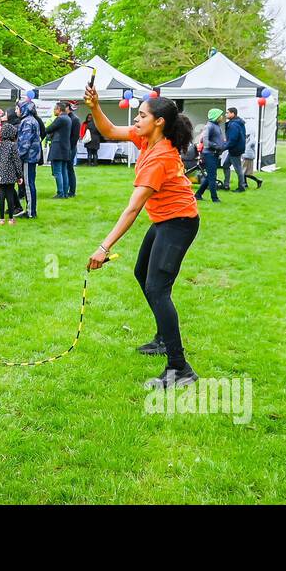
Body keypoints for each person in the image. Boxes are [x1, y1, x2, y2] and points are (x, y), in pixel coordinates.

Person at [85, 83, 201, 388]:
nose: (135, 121)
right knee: (143, 274)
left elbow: (133, 209)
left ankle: (180, 367)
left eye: (141, 116)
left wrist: (103, 246)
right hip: (164, 220)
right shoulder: (146, 139)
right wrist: (95, 106)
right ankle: (164, 337)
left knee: (157, 289)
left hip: (179, 222)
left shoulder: (159, 158)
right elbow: (109, 130)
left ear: (159, 122)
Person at [0, 114, 23, 224]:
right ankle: (10, 218)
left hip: (0, 173)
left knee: (2, 195)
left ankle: (1, 219)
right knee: (10, 195)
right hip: (10, 174)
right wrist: (19, 175)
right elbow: (16, 161)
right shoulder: (13, 145)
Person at [15, 100, 42, 218]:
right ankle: (30, 210)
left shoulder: (27, 122)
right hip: (32, 156)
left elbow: (24, 142)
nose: (16, 111)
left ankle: (31, 212)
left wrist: (17, 156)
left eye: (18, 108)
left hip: (28, 158)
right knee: (30, 183)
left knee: (28, 184)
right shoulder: (32, 120)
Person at [194, 109, 226, 202]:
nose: (222, 117)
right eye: (220, 115)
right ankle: (214, 198)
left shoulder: (216, 126)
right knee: (212, 177)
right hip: (209, 154)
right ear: (215, 116)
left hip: (214, 154)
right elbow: (205, 141)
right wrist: (216, 146)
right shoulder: (209, 126)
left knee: (210, 176)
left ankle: (198, 194)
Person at [45, 102, 73, 199]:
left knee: (57, 171)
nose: (53, 111)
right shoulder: (68, 119)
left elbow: (48, 129)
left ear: (59, 109)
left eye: (55, 109)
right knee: (64, 171)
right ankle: (65, 193)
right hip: (65, 148)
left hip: (57, 148)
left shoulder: (60, 119)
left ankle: (60, 193)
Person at [220, 107, 247, 191]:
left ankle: (241, 186)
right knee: (226, 165)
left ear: (233, 114)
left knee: (238, 168)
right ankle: (226, 184)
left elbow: (232, 140)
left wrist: (222, 148)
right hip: (236, 148)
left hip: (235, 149)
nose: (226, 114)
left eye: (227, 113)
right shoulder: (238, 123)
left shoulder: (234, 124)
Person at [66, 102, 81, 196]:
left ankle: (72, 191)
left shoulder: (74, 119)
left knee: (70, 169)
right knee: (67, 169)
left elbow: (75, 137)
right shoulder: (69, 118)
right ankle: (68, 189)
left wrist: (70, 148)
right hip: (68, 147)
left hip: (70, 147)